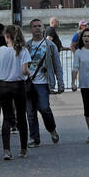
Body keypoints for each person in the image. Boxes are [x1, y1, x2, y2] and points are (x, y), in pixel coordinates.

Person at [0, 25, 32, 161]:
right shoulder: (23, 50)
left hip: (3, 86)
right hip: (18, 86)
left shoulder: (0, 50)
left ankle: (6, 151)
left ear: (6, 36)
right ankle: (23, 149)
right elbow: (24, 71)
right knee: (21, 117)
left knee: (7, 117)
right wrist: (30, 74)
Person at [24, 18, 63, 147]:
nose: (37, 28)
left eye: (39, 26)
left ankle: (52, 129)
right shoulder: (26, 46)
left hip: (43, 82)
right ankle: (34, 139)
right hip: (29, 82)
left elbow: (57, 65)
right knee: (30, 112)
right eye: (34, 26)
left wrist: (60, 83)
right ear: (30, 29)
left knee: (44, 108)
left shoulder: (50, 46)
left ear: (43, 28)